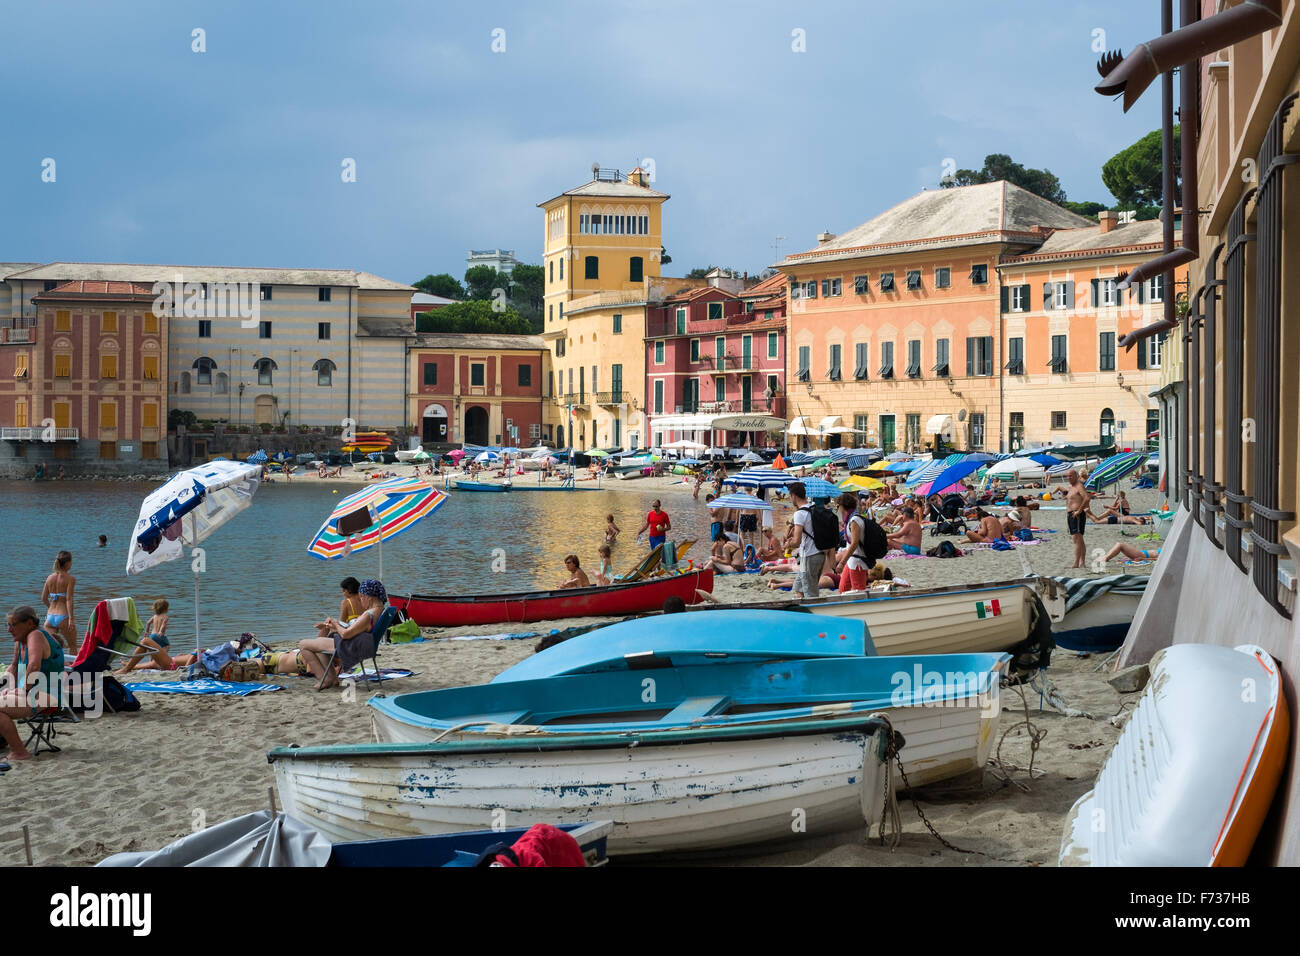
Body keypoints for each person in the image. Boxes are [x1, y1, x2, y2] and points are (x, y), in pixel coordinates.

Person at [0, 606, 66, 761]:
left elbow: (34, 665)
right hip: (31, 691)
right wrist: (5, 687)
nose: (9, 630)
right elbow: (14, 666)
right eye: (7, 625)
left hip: (47, 695)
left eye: (13, 625)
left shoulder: (35, 635)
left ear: (30, 623)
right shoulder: (20, 640)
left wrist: (23, 690)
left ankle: (19, 752)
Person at [298, 578, 389, 690]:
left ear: (369, 597)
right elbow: (356, 629)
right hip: (363, 644)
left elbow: (346, 635)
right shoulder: (381, 610)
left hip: (353, 646)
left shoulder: (369, 615)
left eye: (361, 597)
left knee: (303, 644)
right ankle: (331, 678)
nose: (360, 600)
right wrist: (334, 627)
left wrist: (336, 624)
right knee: (317, 644)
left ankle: (325, 679)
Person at [115, 599, 176, 674]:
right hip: (159, 635)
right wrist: (160, 631)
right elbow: (163, 625)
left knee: (152, 650)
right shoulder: (165, 617)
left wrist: (147, 632)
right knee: (167, 646)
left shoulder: (154, 616)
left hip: (152, 635)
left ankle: (152, 661)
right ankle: (163, 658)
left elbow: (147, 623)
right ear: (166, 608)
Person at [786, 481, 824, 599]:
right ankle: (804, 614)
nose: (790, 498)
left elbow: (796, 541)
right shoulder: (813, 508)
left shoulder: (799, 513)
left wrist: (788, 544)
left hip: (809, 555)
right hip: (818, 554)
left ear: (794, 496)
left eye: (790, 496)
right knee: (799, 587)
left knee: (810, 593)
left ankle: (814, 615)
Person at [835, 492, 870, 593]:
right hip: (852, 560)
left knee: (858, 590)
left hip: (858, 561)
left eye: (838, 506)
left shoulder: (854, 520)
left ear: (843, 506)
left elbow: (854, 543)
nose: (838, 509)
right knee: (843, 588)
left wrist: (841, 562)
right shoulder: (849, 520)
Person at [40, 551, 76, 650]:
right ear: (67, 563)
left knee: (52, 649)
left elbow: (43, 598)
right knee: (72, 647)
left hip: (50, 617)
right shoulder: (70, 579)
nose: (72, 564)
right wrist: (71, 619)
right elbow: (68, 599)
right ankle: (72, 666)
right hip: (63, 616)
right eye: (71, 561)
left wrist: (50, 607)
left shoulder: (49, 578)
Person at [1065, 469, 1091, 569]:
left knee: (1076, 539)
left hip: (1077, 515)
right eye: (1067, 476)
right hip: (1071, 514)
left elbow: (1087, 497)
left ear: (1076, 475)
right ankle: (1082, 563)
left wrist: (1079, 510)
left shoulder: (1079, 486)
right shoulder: (1071, 487)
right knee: (1079, 539)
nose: (1068, 478)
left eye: (1071, 476)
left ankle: (1076, 563)